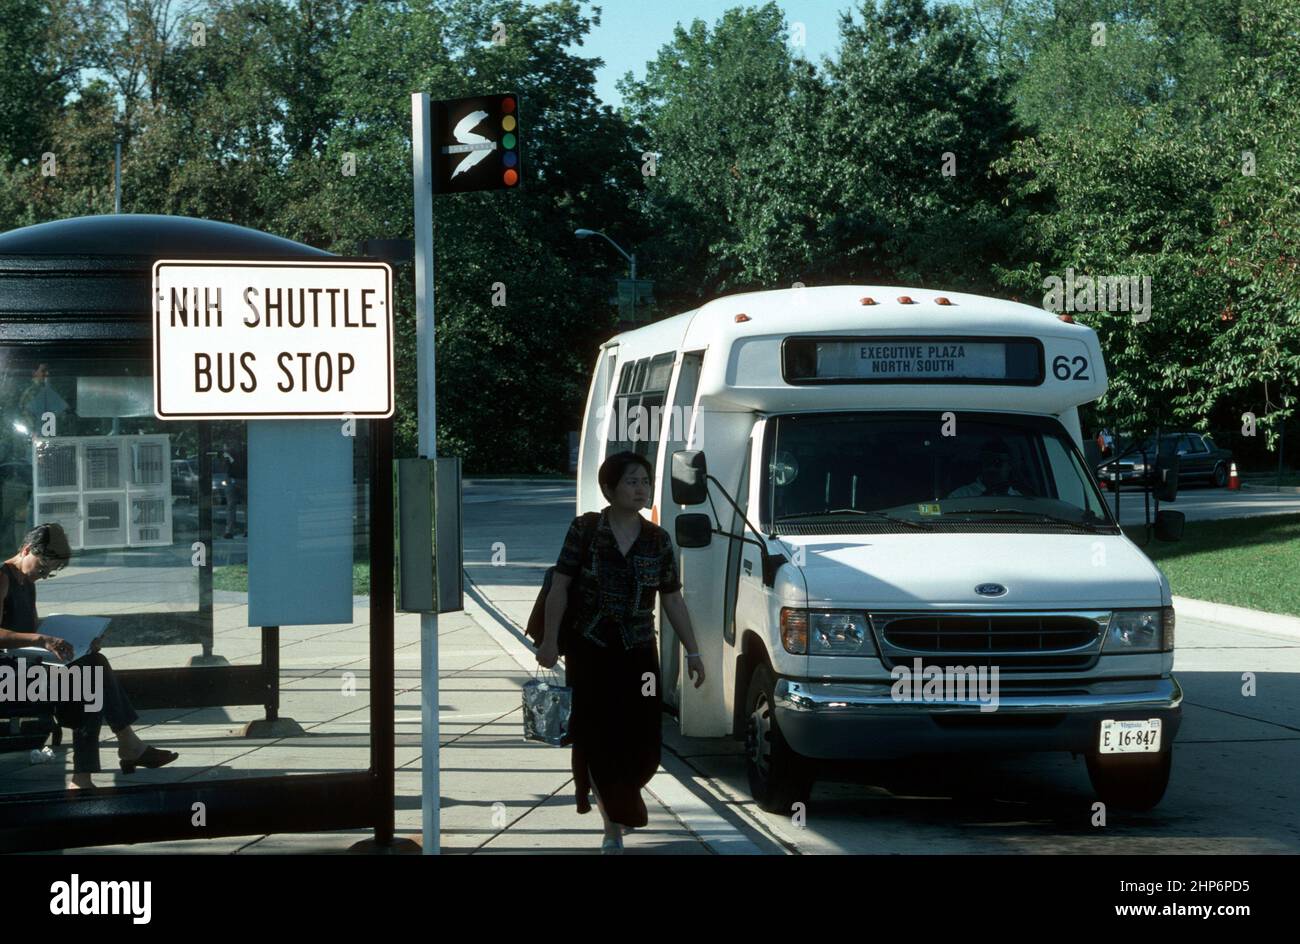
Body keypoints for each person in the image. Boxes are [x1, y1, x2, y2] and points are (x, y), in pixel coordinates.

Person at [537, 451, 706, 854]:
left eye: (645, 481)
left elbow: (672, 600)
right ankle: (612, 824)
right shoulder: (586, 530)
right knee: (596, 739)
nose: (640, 489)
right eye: (631, 481)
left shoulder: (657, 539)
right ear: (609, 488)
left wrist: (694, 652)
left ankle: (624, 793)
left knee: (644, 741)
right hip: (590, 650)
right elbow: (560, 586)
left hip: (639, 655)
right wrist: (548, 640)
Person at [0, 523, 178, 789]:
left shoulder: (27, 582)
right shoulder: (3, 577)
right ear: (26, 550)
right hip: (8, 677)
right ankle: (119, 751)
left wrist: (78, 640)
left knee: (91, 670)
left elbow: (32, 628)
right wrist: (41, 639)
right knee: (91, 677)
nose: (42, 575)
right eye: (41, 568)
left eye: (48, 573)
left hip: (27, 670)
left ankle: (98, 767)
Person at [947, 439, 1024, 498]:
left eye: (998, 463)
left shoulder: (1020, 499)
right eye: (987, 462)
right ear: (981, 464)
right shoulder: (960, 496)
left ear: (1010, 465)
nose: (991, 468)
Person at [219, 441, 246, 539]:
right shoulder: (227, 456)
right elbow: (224, 468)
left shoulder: (243, 454)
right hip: (232, 480)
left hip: (241, 480)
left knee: (244, 506)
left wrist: (230, 458)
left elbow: (238, 466)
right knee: (231, 506)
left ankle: (242, 530)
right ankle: (229, 530)